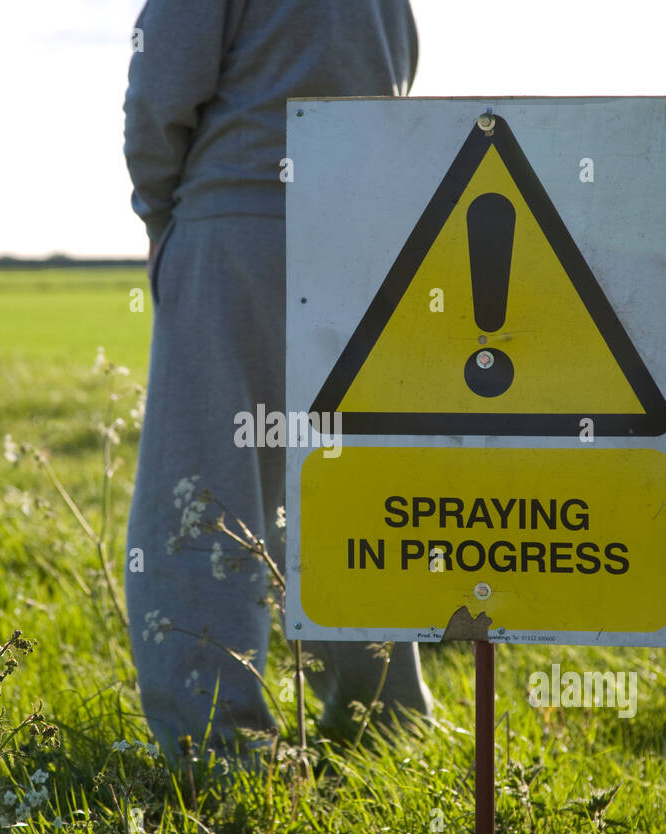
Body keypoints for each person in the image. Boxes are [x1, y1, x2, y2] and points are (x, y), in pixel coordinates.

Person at [122, 0, 434, 765]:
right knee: (350, 487)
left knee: (202, 489)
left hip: (236, 224)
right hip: (360, 234)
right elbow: (399, 76)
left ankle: (216, 747)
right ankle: (383, 721)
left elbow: (160, 94)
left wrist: (164, 212)